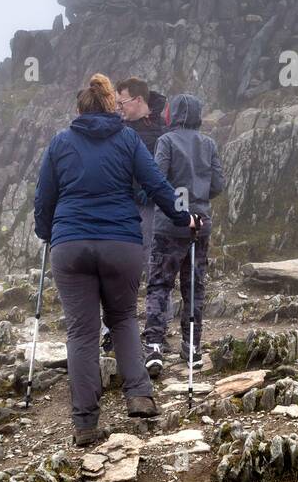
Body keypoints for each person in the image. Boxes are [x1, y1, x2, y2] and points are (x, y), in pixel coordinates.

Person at [33, 74, 196, 445]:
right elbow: (156, 184)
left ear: (79, 110)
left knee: (82, 332)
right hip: (121, 243)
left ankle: (86, 423)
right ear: (111, 106)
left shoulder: (61, 143)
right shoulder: (127, 139)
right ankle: (139, 395)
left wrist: (47, 232)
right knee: (122, 318)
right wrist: (183, 216)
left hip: (71, 245)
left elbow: (44, 197)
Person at [141, 94, 227, 377]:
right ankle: (192, 346)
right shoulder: (209, 144)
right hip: (200, 224)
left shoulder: (166, 141)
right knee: (194, 287)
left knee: (159, 285)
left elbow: (158, 177)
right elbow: (218, 184)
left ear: (172, 114)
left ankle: (154, 346)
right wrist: (198, 199)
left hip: (169, 224)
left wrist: (175, 205)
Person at [115, 77, 168, 280]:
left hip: (150, 206)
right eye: (117, 103)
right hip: (122, 203)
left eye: (123, 103)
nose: (119, 108)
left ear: (138, 100)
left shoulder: (163, 127)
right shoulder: (118, 128)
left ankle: (158, 307)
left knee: (151, 255)